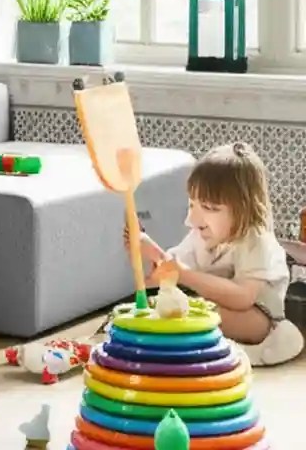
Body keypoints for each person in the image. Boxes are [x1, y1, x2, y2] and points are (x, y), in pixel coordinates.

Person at [128, 142, 303, 366]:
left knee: (212, 313)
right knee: (179, 307)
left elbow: (243, 298)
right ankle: (199, 340)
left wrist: (183, 275)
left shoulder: (255, 241)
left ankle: (207, 340)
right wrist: (150, 254)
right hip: (214, 306)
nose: (193, 220)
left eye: (210, 208)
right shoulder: (200, 235)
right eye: (192, 205)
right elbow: (172, 269)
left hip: (261, 318)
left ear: (245, 210)